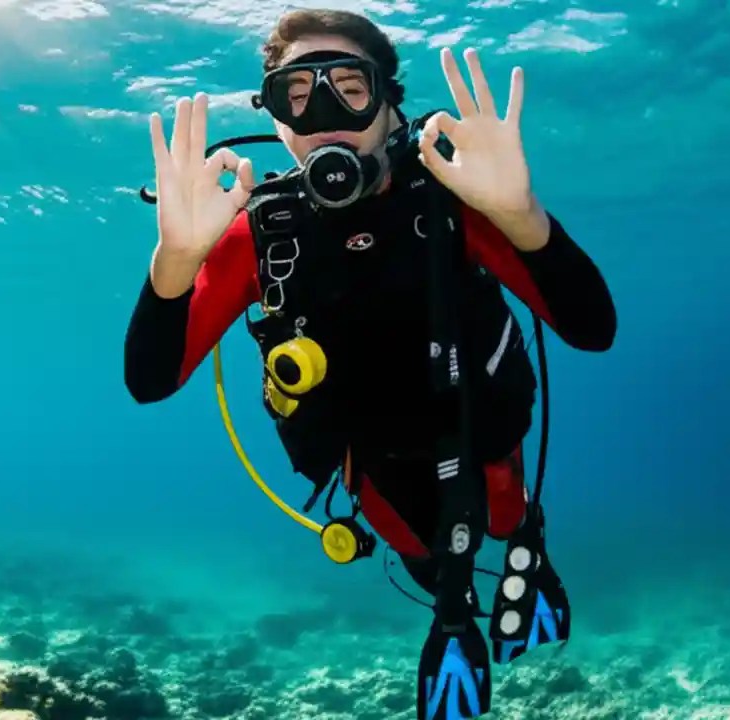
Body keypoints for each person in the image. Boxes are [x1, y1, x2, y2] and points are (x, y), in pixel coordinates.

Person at [122, 8, 616, 720]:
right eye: (296, 94)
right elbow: (149, 380)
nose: (322, 115)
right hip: (370, 460)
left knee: (504, 509)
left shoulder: (458, 201)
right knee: (419, 551)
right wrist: (174, 263)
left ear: (391, 104)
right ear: (277, 120)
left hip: (483, 426)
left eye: (350, 87)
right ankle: (449, 611)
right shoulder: (262, 233)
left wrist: (523, 217)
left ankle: (527, 548)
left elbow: (592, 328)